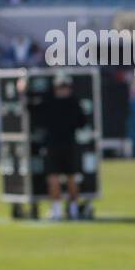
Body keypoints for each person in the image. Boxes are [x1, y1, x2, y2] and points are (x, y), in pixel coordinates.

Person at [40, 75, 84, 220]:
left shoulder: (49, 102)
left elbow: (35, 116)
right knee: (66, 177)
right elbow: (82, 122)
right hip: (68, 143)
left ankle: (60, 209)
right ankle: (70, 209)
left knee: (59, 177)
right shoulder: (74, 102)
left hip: (55, 143)